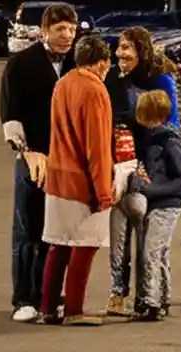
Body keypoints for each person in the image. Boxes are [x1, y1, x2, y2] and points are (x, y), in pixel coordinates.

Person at [0, 3, 78, 322]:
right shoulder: (21, 64)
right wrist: (26, 151)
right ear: (44, 31)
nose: (67, 36)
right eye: (61, 29)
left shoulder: (78, 64)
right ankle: (23, 299)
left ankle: (50, 296)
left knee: (58, 233)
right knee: (27, 230)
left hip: (68, 161)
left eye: (72, 29)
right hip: (33, 159)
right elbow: (10, 113)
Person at [37, 35, 115, 326]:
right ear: (103, 62)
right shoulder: (95, 89)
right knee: (85, 244)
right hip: (81, 182)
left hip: (57, 176)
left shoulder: (63, 83)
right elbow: (97, 146)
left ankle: (47, 307)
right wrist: (103, 191)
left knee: (59, 244)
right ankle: (73, 309)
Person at [105, 26, 179, 317]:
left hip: (149, 169)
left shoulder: (158, 80)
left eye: (128, 48)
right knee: (119, 237)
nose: (121, 53)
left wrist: (153, 169)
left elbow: (167, 124)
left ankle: (152, 297)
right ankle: (119, 293)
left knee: (149, 243)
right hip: (121, 166)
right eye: (120, 47)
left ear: (142, 51)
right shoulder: (113, 76)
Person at [123, 89, 181, 321]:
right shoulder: (154, 138)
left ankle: (151, 302)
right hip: (160, 201)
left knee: (151, 251)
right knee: (159, 252)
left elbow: (180, 180)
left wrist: (146, 188)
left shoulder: (168, 140)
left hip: (167, 203)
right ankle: (162, 299)